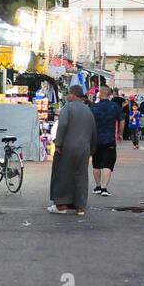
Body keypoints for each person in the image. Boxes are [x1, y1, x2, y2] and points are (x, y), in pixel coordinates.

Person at [49, 85, 95, 214]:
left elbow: (62, 126)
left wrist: (58, 144)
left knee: (62, 175)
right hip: (84, 149)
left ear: (73, 95)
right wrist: (92, 149)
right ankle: (80, 207)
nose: (67, 96)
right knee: (81, 177)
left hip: (67, 148)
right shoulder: (88, 110)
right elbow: (93, 130)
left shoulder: (67, 108)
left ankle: (61, 205)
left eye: (68, 94)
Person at [91, 86, 123, 195]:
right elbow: (122, 120)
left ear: (99, 94)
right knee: (108, 164)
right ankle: (104, 188)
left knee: (96, 163)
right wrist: (120, 134)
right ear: (110, 95)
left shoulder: (93, 107)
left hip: (96, 139)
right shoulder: (115, 106)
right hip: (109, 139)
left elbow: (89, 122)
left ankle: (98, 186)